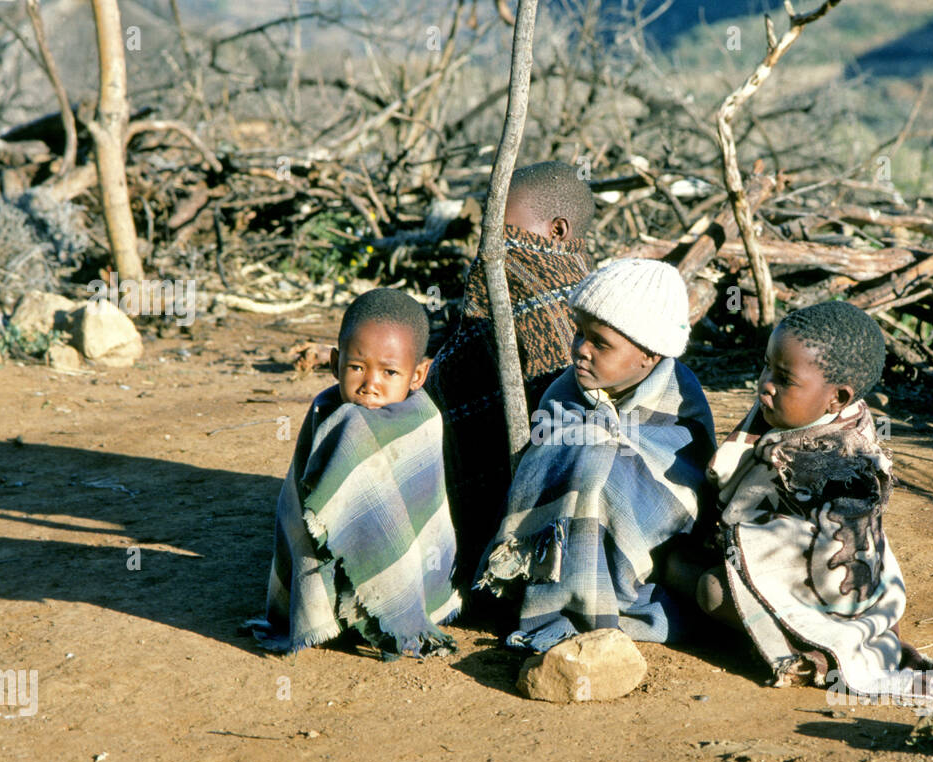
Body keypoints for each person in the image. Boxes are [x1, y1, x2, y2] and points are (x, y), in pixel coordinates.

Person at [695, 300, 933, 702]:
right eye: (765, 366)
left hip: (824, 587)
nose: (765, 384)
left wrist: (729, 543)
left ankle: (813, 651)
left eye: (783, 378)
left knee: (709, 589)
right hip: (790, 557)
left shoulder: (840, 457)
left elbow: (832, 553)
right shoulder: (797, 416)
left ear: (837, 397)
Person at [476, 258, 716, 651]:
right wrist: (593, 446)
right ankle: (559, 599)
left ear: (649, 355)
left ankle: (603, 598)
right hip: (566, 543)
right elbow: (542, 464)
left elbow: (687, 486)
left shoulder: (680, 400)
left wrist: (605, 451)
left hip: (652, 547)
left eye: (600, 342)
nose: (581, 350)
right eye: (579, 333)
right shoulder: (565, 391)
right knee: (589, 455)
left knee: (598, 458)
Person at [245, 288, 461, 658]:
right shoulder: (327, 411)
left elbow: (423, 513)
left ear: (418, 374)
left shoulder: (422, 420)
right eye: (357, 367)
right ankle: (326, 609)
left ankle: (396, 614)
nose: (370, 384)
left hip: (410, 581)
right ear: (334, 363)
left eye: (390, 371)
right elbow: (303, 507)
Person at [425, 160, 596, 591]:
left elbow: (452, 381)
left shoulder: (566, 303)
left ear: (557, 232)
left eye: (508, 234)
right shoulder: (587, 291)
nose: (494, 248)